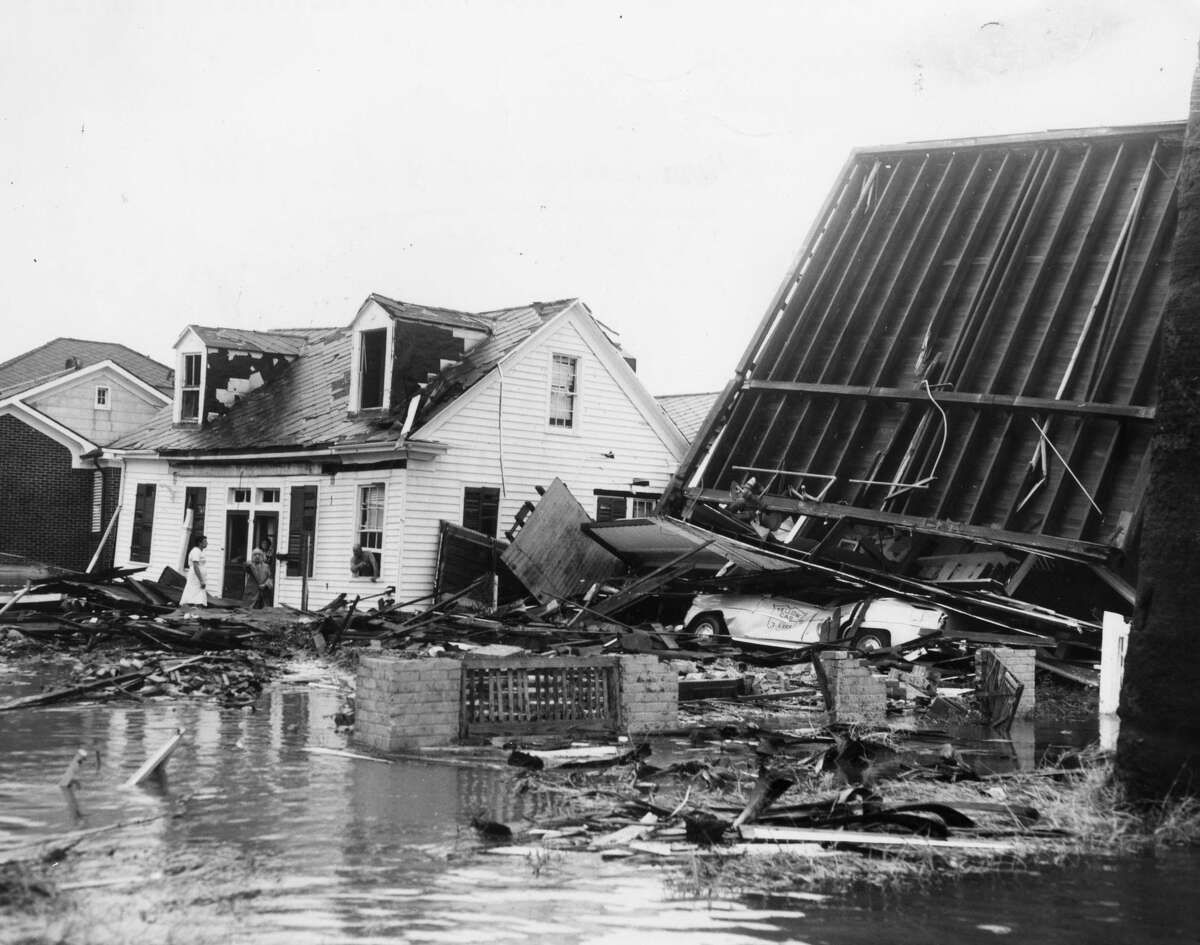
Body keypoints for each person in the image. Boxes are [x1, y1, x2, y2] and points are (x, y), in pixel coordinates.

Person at [181, 536, 209, 607]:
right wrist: (201, 580)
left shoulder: (200, 551)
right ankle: (190, 612)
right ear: (200, 543)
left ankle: (194, 613)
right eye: (205, 541)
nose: (207, 543)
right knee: (193, 594)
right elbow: (195, 566)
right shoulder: (195, 551)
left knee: (198, 595)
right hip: (195, 578)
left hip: (198, 578)